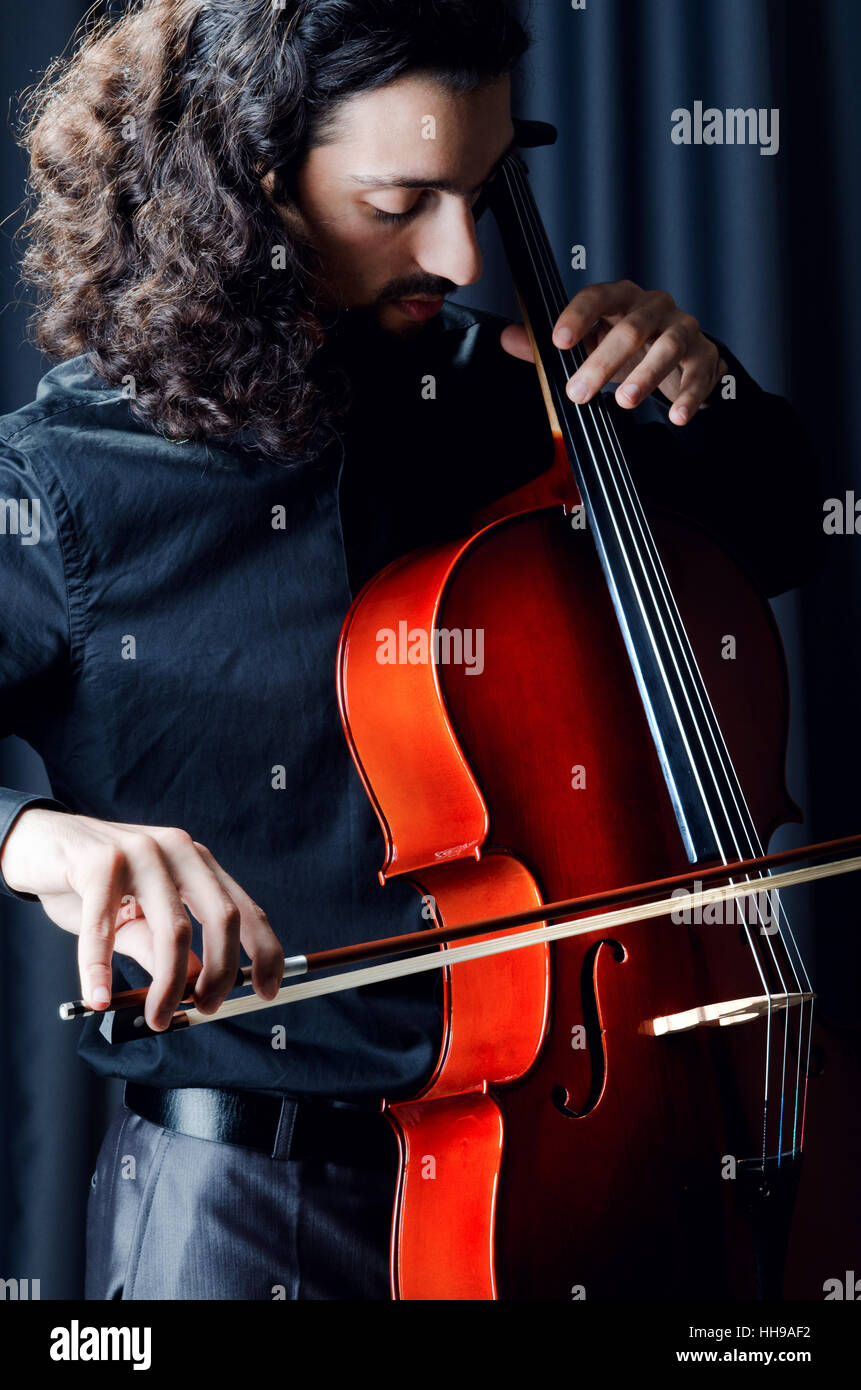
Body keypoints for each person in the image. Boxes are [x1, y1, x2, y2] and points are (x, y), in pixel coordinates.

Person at [0, 0, 822, 1300]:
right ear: (241, 190)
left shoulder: (521, 399)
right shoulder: (66, 484)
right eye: (401, 199)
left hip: (609, 1162)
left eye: (483, 188)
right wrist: (36, 837)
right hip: (246, 1217)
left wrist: (701, 389)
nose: (460, 250)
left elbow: (781, 540)